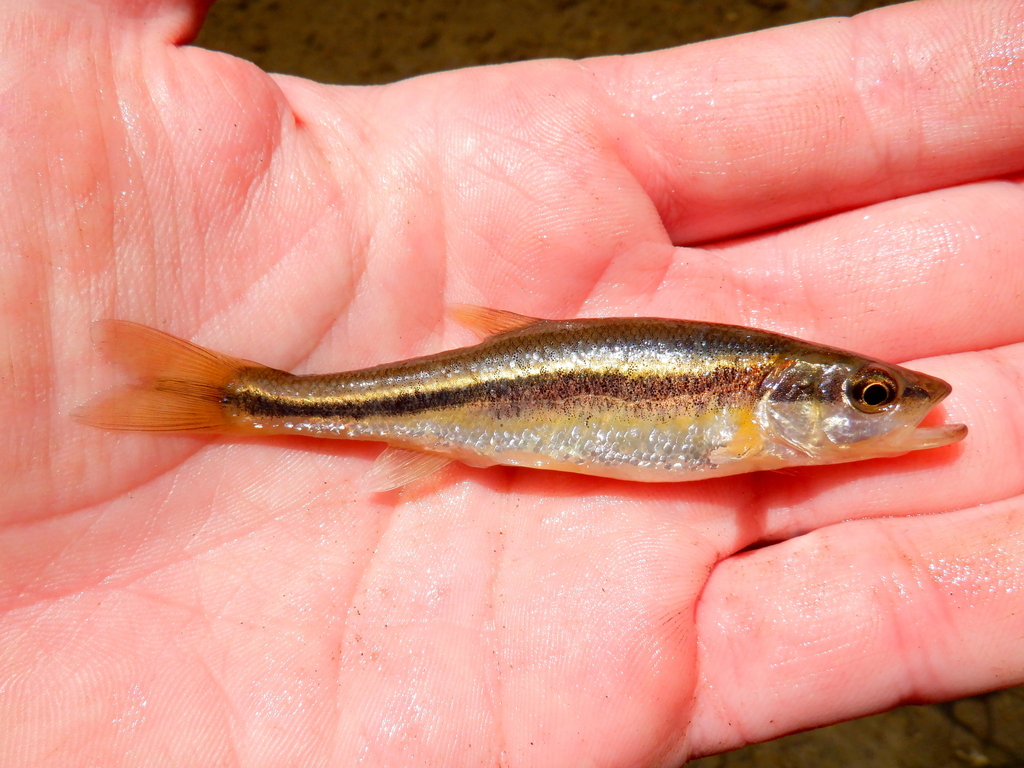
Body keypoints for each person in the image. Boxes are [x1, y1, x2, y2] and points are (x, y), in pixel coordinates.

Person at [2, 0, 1022, 764]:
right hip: (460, 412)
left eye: (870, 397)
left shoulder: (752, 410)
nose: (894, 406)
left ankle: (244, 400)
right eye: (870, 397)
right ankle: (242, 400)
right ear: (779, 398)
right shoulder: (744, 405)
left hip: (467, 413)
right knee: (283, 397)